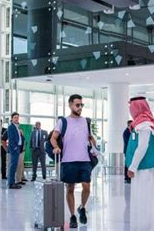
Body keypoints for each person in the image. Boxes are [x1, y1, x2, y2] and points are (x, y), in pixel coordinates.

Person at [50, 94, 98, 228]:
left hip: (84, 160)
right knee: (70, 188)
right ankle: (72, 216)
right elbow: (53, 138)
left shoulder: (85, 121)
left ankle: (82, 207)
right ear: (70, 105)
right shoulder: (63, 122)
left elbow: (89, 137)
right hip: (68, 160)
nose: (80, 107)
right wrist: (56, 147)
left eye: (81, 105)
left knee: (87, 187)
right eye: (77, 105)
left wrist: (93, 144)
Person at [126, 97, 154, 230]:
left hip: (143, 168)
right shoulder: (143, 123)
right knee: (145, 197)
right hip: (144, 167)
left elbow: (142, 147)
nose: (130, 110)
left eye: (132, 107)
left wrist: (132, 167)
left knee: (144, 198)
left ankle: (145, 226)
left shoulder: (144, 124)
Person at [7, 112, 22, 189]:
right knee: (13, 166)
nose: (17, 119)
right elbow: (11, 139)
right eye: (15, 117)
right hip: (14, 149)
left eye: (17, 117)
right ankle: (11, 184)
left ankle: (13, 182)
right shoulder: (11, 127)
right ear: (12, 119)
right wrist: (15, 148)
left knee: (15, 166)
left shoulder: (17, 127)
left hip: (18, 148)